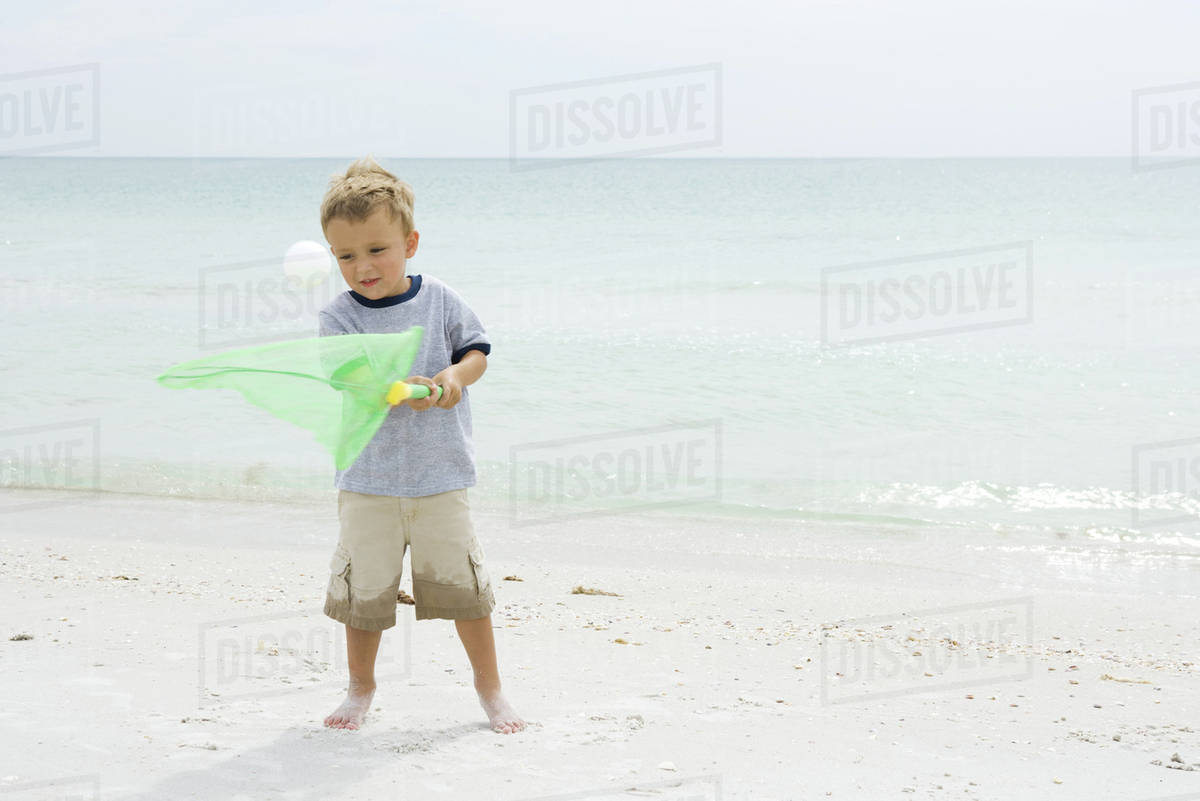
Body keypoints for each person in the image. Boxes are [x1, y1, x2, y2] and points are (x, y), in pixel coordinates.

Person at [315, 156, 524, 734]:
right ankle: (360, 687)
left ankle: (490, 689)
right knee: (365, 597)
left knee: (465, 591)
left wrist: (454, 379)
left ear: (409, 242)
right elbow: (345, 378)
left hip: (441, 478)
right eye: (346, 256)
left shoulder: (441, 301)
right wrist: (388, 389)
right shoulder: (338, 318)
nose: (363, 266)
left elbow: (476, 352)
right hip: (367, 481)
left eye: (377, 249)